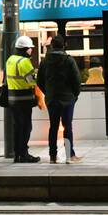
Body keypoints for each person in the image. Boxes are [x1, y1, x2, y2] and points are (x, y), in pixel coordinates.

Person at [40, 35, 82, 164]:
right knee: (67, 126)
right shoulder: (69, 60)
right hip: (67, 98)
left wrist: (48, 93)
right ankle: (69, 155)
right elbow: (77, 80)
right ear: (64, 45)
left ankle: (53, 156)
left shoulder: (45, 61)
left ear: (51, 45)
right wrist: (75, 95)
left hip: (52, 99)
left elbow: (39, 81)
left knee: (53, 127)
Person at [5, 35, 41, 163]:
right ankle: (24, 154)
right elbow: (32, 81)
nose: (31, 50)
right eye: (30, 48)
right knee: (26, 127)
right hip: (24, 100)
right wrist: (37, 73)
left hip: (13, 100)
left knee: (17, 127)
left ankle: (17, 154)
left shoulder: (10, 60)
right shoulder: (24, 62)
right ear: (25, 49)